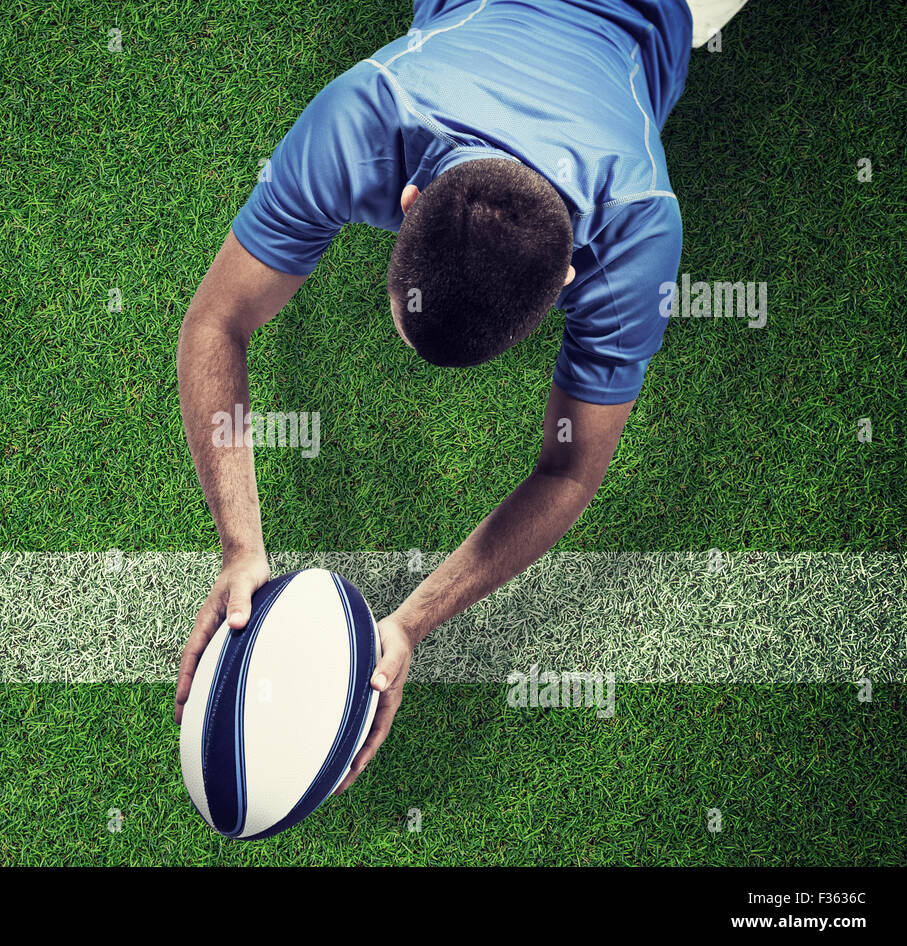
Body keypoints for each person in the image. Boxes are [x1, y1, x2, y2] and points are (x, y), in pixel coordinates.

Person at [174, 0, 748, 796]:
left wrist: (412, 620)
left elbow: (568, 476)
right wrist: (242, 545)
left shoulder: (635, 227)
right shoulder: (370, 115)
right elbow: (216, 323)